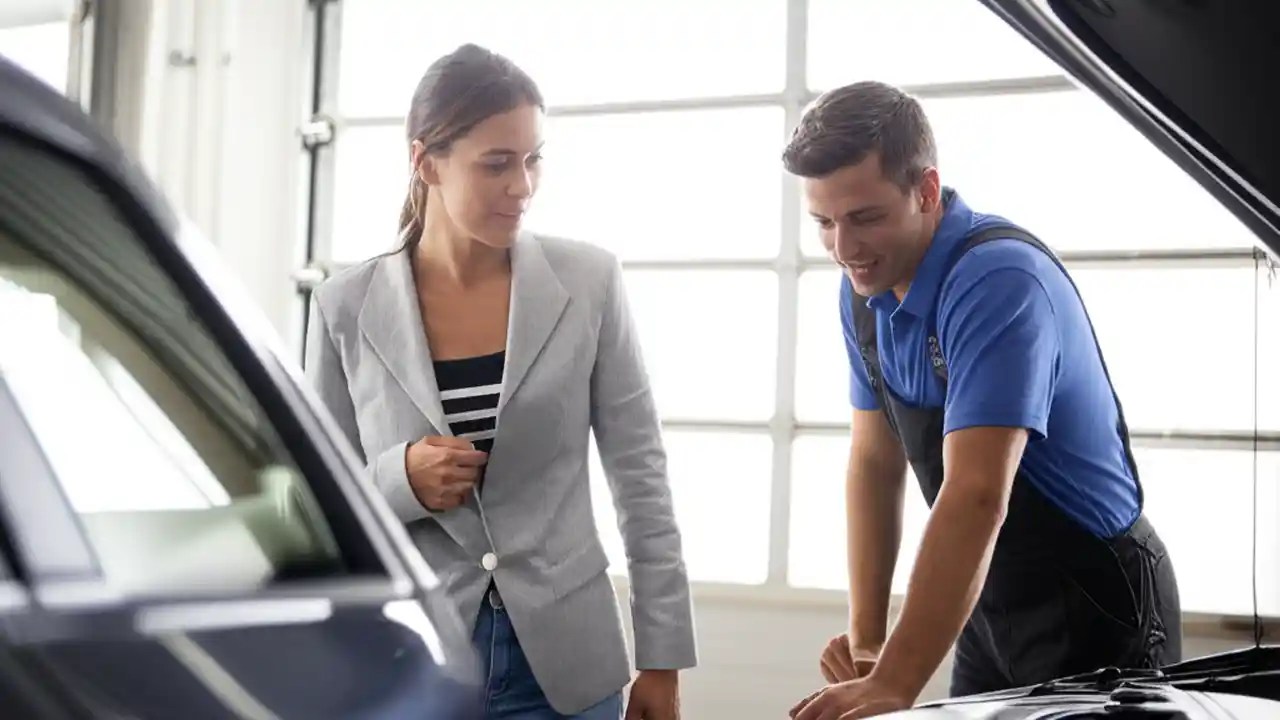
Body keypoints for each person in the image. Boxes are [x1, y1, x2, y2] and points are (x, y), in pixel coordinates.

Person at [304, 44, 696, 720]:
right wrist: (401, 479)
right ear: (425, 161)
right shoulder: (345, 305)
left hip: (569, 674)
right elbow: (316, 505)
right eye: (497, 163)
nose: (523, 185)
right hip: (415, 664)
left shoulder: (589, 283)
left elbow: (641, 479)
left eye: (533, 158)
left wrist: (662, 661)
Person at [783, 81, 1182, 719]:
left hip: (1095, 605)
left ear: (927, 192)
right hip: (988, 603)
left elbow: (974, 493)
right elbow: (873, 463)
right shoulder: (864, 286)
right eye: (824, 223)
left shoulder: (998, 281)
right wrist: (868, 643)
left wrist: (894, 683)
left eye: (865, 218)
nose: (844, 249)